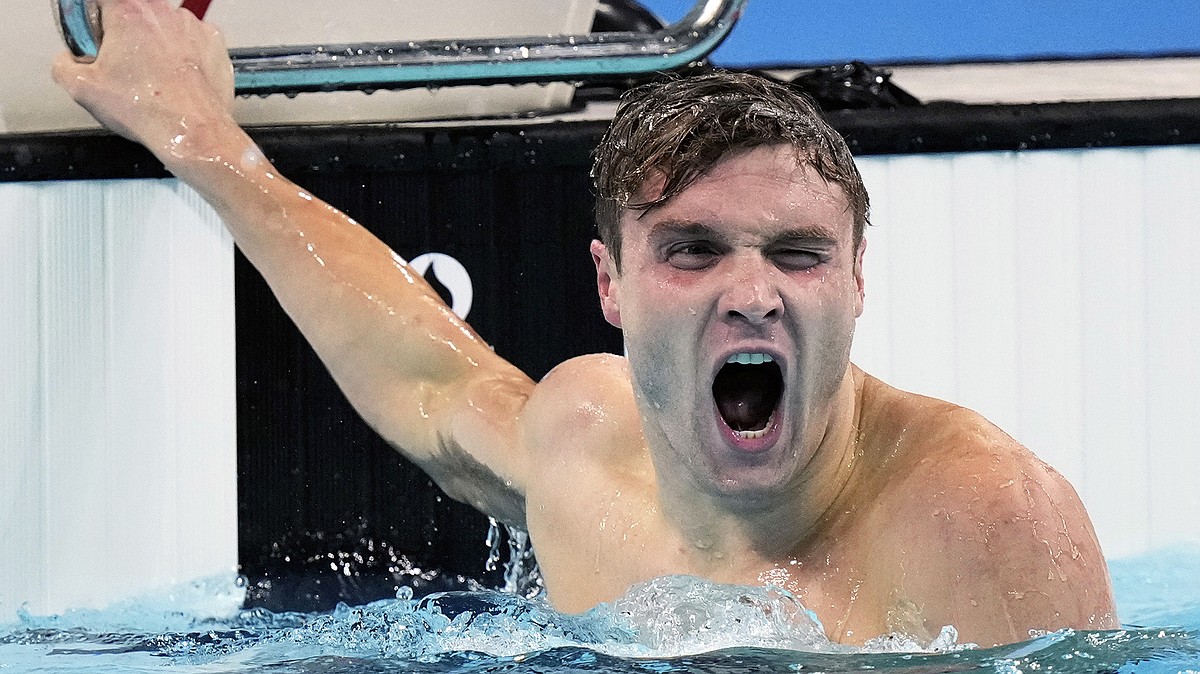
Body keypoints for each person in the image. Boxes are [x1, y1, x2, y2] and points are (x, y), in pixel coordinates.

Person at [53, 0, 1117, 646]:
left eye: (798, 252)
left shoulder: (983, 524)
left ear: (856, 279)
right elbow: (424, 372)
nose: (753, 291)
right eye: (694, 250)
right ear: (612, 282)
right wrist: (198, 134)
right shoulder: (587, 449)